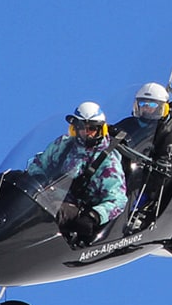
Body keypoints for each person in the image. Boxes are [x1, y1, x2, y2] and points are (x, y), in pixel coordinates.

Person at [26, 101, 127, 242]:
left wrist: (94, 216)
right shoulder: (64, 144)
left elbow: (118, 200)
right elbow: (38, 162)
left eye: (91, 129)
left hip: (77, 209)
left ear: (101, 130)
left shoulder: (108, 163)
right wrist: (38, 177)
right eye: (81, 128)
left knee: (52, 211)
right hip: (46, 196)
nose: (86, 133)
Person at [113, 83, 172, 231]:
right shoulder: (128, 124)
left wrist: (161, 165)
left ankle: (121, 223)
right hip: (118, 170)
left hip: (140, 180)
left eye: (152, 105)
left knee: (128, 196)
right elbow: (111, 138)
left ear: (162, 108)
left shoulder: (164, 134)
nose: (147, 108)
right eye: (143, 104)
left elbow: (169, 159)